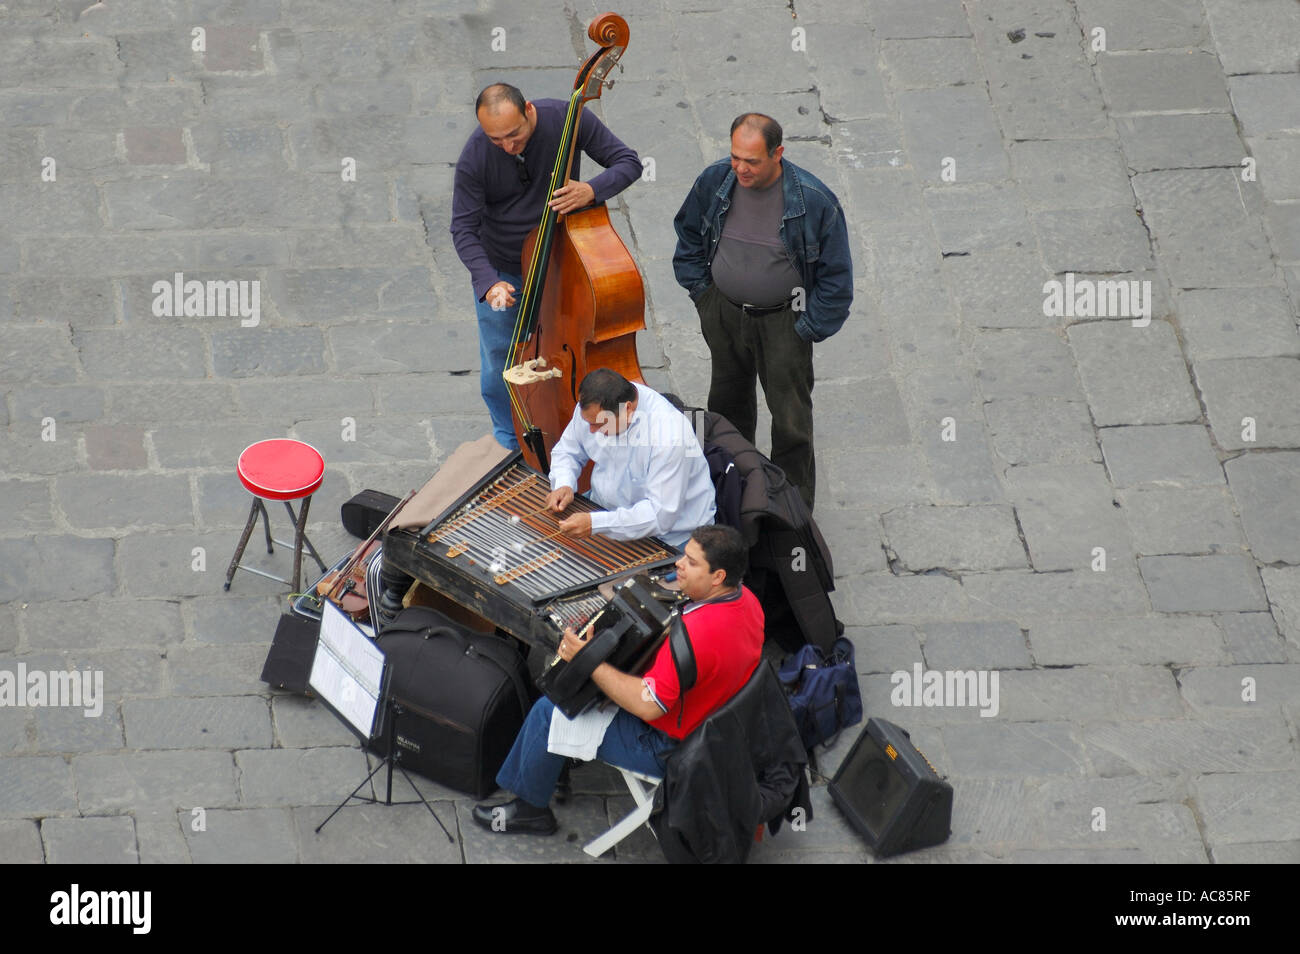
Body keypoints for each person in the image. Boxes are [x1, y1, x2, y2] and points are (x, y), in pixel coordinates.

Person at [472, 524, 764, 835]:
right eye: (684, 555)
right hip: (722, 730)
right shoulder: (747, 600)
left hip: (674, 750)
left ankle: (530, 810)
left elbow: (649, 706)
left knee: (549, 711)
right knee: (596, 688)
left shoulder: (697, 633)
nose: (679, 563)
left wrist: (589, 660)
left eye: (692, 563)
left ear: (718, 577)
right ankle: (557, 762)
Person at [672, 112, 853, 511]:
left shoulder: (813, 201)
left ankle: (791, 511)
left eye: (752, 161)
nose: (740, 168)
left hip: (784, 320)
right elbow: (687, 232)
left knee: (791, 420)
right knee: (727, 408)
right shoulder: (715, 180)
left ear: (778, 154)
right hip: (724, 313)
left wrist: (805, 328)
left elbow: (837, 279)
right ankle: (729, 493)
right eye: (736, 156)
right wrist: (704, 296)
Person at [450, 83, 643, 450]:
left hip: (565, 262)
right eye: (496, 140)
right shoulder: (475, 157)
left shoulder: (567, 119)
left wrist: (591, 189)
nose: (508, 146)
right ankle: (511, 444)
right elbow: (463, 228)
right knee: (500, 366)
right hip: (505, 267)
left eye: (514, 134)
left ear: (530, 111)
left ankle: (590, 435)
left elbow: (628, 162)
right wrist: (489, 282)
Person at [544, 368, 716, 549]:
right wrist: (564, 483)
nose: (592, 431)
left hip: (670, 536)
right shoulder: (594, 410)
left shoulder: (671, 437)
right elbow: (567, 450)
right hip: (603, 510)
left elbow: (659, 517)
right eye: (588, 423)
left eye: (599, 424)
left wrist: (596, 523)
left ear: (627, 409)